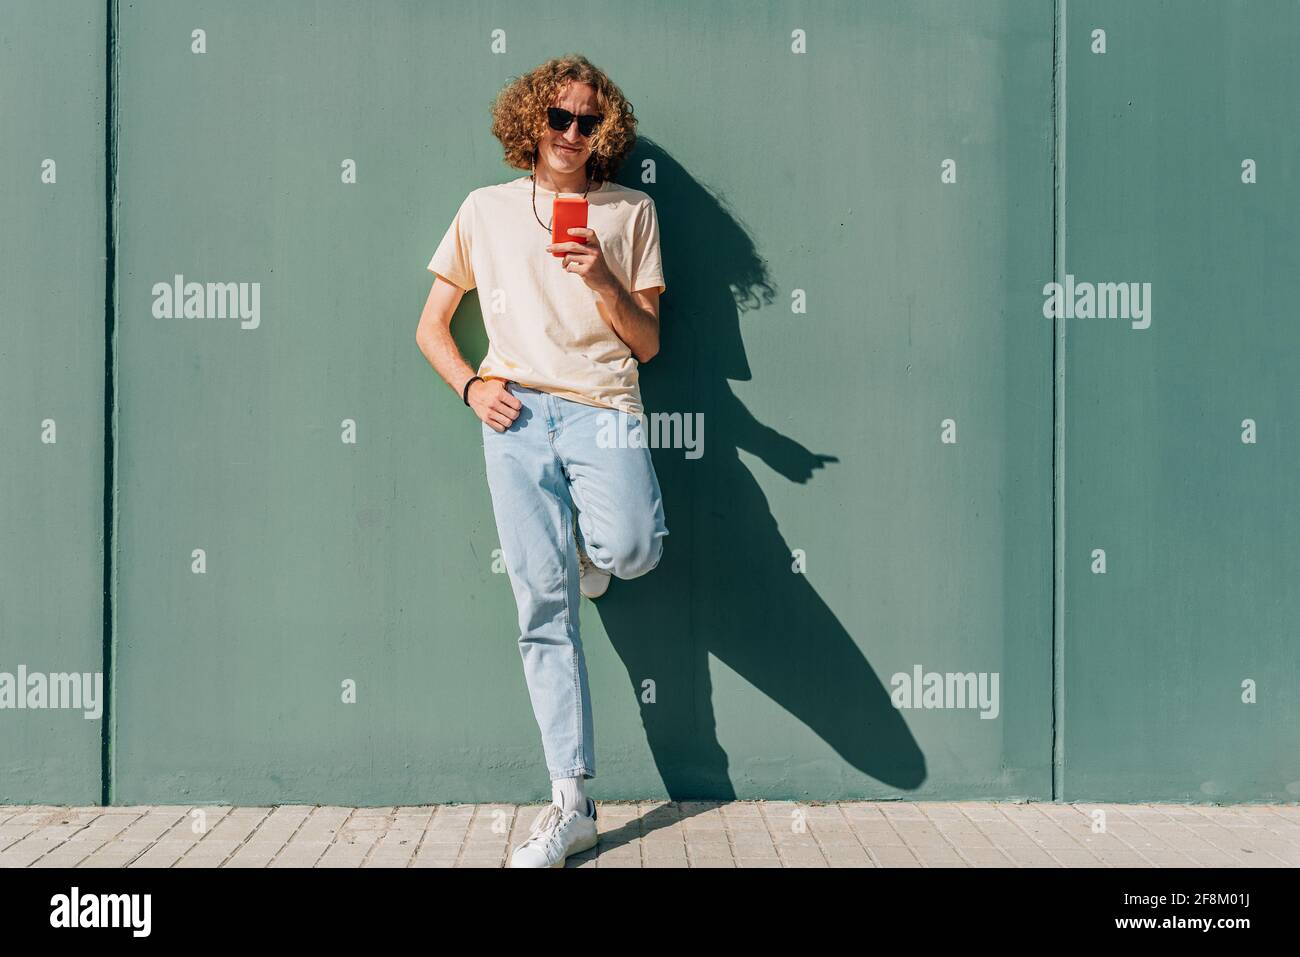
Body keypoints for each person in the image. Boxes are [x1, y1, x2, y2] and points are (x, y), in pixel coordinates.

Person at [415, 54, 668, 868]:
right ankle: (573, 802)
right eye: (557, 117)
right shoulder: (485, 211)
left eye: (586, 121)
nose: (570, 133)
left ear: (605, 130)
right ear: (531, 120)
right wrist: (469, 387)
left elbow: (649, 342)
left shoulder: (630, 212)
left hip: (604, 408)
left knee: (633, 547)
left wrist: (602, 278)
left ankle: (594, 554)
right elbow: (432, 325)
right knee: (542, 609)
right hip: (516, 414)